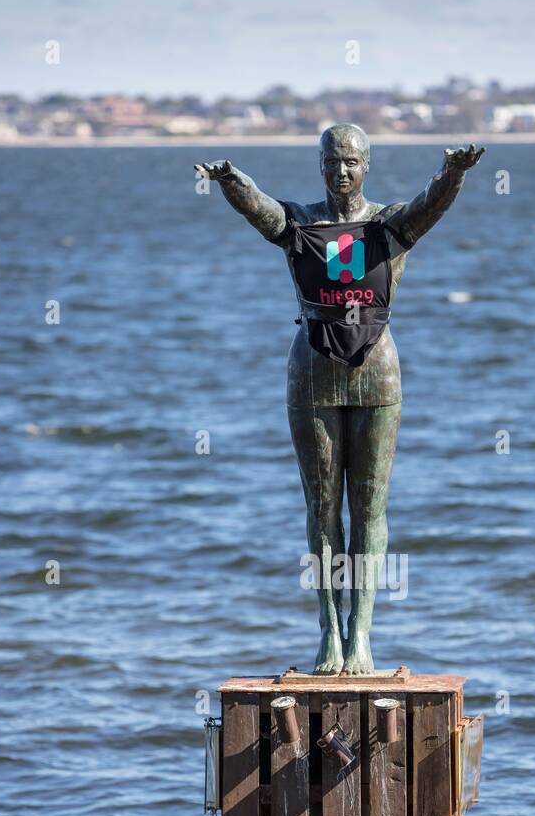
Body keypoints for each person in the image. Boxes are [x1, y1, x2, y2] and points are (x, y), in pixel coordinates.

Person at [196, 124, 484, 674]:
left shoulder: (389, 225)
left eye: (351, 161)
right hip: (312, 371)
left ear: (367, 165)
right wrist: (230, 179)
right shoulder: (301, 223)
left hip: (377, 372)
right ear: (320, 165)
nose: (342, 170)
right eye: (332, 162)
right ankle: (329, 634)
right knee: (322, 507)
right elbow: (261, 211)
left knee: (370, 508)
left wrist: (452, 174)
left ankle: (363, 637)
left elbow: (431, 207)